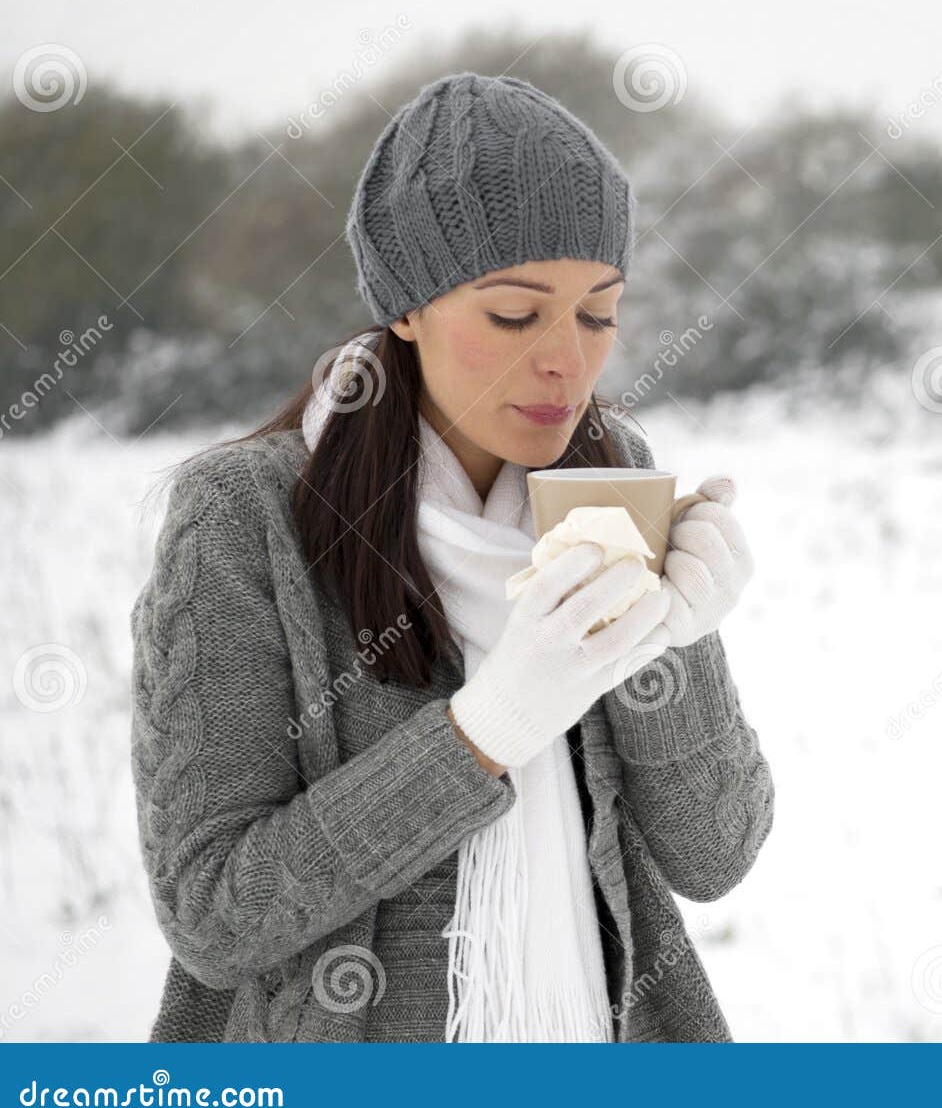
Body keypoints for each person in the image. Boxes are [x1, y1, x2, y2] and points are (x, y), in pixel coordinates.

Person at [129, 70, 774, 1042]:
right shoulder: (243, 515)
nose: (567, 358)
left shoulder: (614, 481)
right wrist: (488, 728)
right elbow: (215, 914)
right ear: (406, 307)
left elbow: (714, 856)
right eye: (515, 315)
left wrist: (670, 650)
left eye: (598, 311)